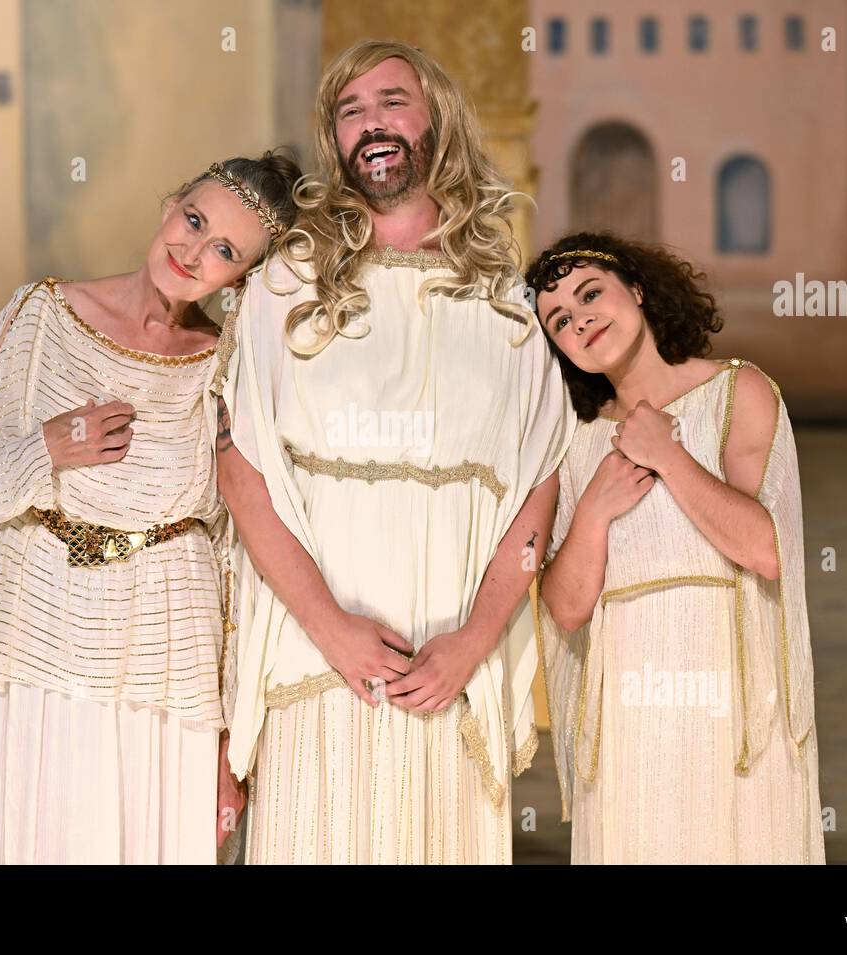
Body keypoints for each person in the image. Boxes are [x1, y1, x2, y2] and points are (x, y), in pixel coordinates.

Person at [212, 40, 574, 864]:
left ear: (435, 118)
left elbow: (538, 485)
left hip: (449, 657)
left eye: (391, 102)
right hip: (318, 651)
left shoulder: (504, 300)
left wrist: (477, 637)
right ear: (336, 143)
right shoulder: (290, 282)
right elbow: (244, 472)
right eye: (349, 112)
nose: (371, 124)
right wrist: (329, 627)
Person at [0, 151, 301, 864]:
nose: (192, 252)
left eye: (223, 250)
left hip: (161, 675)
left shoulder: (224, 367)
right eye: (192, 220)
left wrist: (228, 744)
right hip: (19, 655)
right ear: (168, 204)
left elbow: (230, 562)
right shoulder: (43, 315)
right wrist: (44, 448)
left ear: (242, 279)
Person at [529, 230, 825, 864]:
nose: (580, 320)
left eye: (590, 295)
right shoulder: (571, 439)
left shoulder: (738, 391)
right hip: (630, 722)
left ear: (638, 291)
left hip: (734, 708)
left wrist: (667, 455)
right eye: (559, 320)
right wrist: (594, 510)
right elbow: (567, 608)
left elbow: (766, 549)